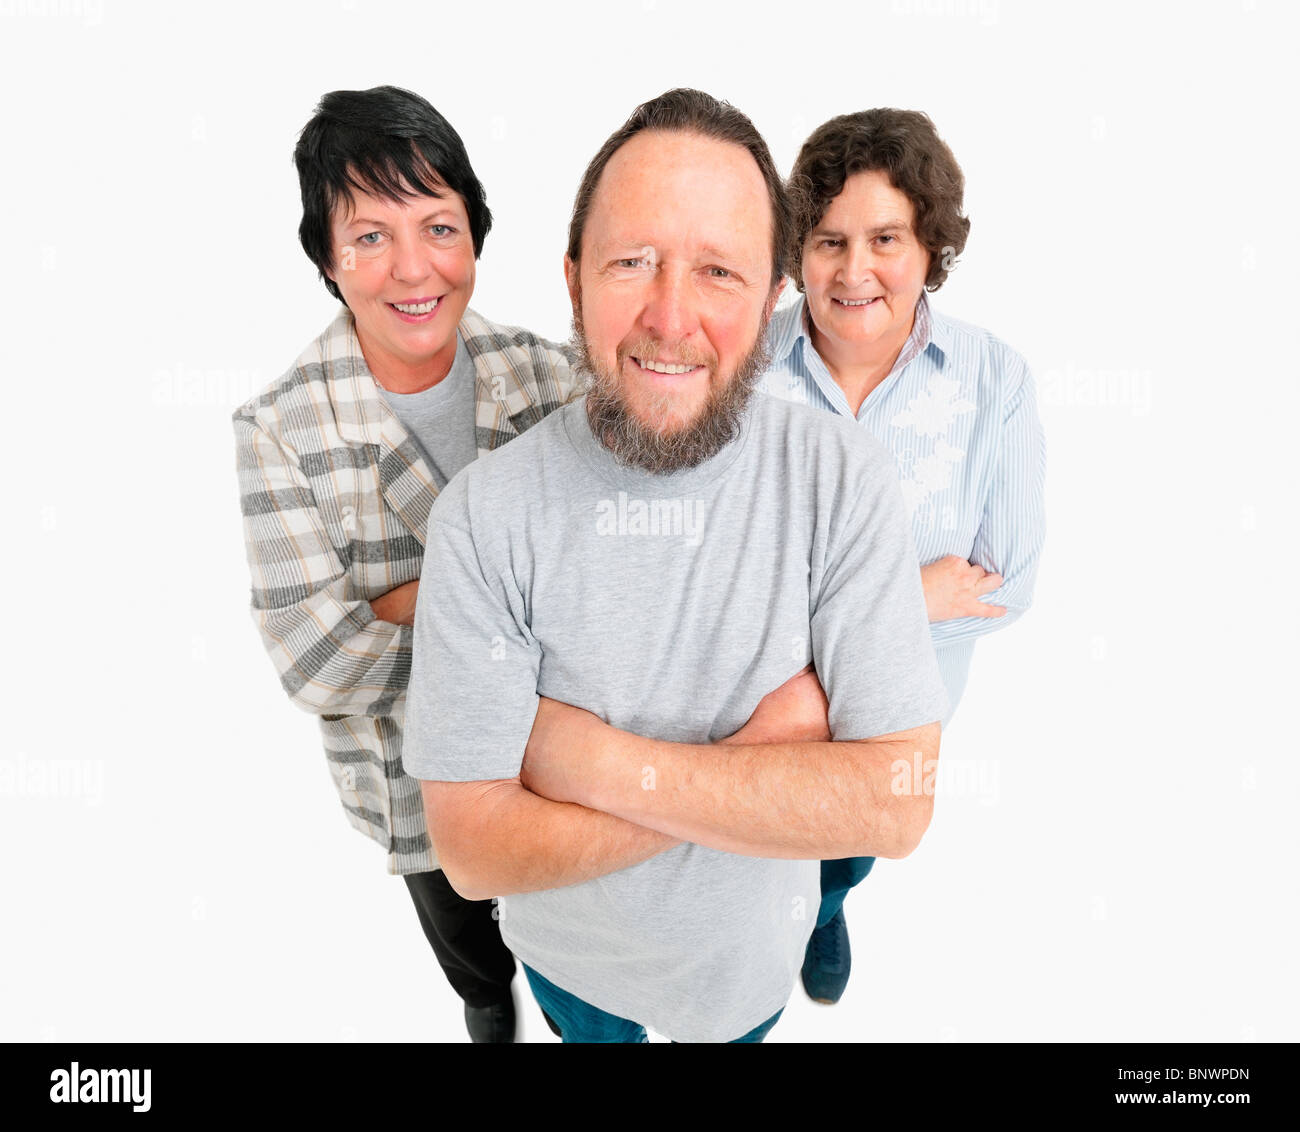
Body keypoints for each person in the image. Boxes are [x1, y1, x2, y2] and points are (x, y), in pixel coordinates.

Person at [402, 89, 949, 1043]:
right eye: (632, 262)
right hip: (572, 970)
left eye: (718, 272)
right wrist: (763, 758)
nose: (670, 316)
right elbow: (474, 853)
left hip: (750, 972)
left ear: (772, 295)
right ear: (572, 281)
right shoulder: (482, 521)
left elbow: (894, 805)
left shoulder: (841, 480)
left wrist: (585, 760)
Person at [232, 86, 584, 1042]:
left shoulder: (551, 375)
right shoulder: (279, 430)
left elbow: (612, 566)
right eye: (371, 236)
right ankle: (485, 1004)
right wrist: (510, 598)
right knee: (469, 942)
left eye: (439, 225)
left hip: (569, 756)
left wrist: (405, 605)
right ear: (326, 258)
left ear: (475, 234)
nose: (413, 268)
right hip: (414, 781)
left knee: (578, 934)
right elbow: (318, 665)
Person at [760, 108, 1047, 1005]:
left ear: (930, 248)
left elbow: (1008, 583)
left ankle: (825, 908)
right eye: (828, 239)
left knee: (846, 852)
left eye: (885, 238)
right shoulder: (743, 370)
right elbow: (708, 572)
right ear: (794, 249)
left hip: (900, 725)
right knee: (741, 846)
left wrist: (820, 605)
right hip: (756, 702)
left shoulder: (993, 379)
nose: (854, 270)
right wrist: (907, 596)